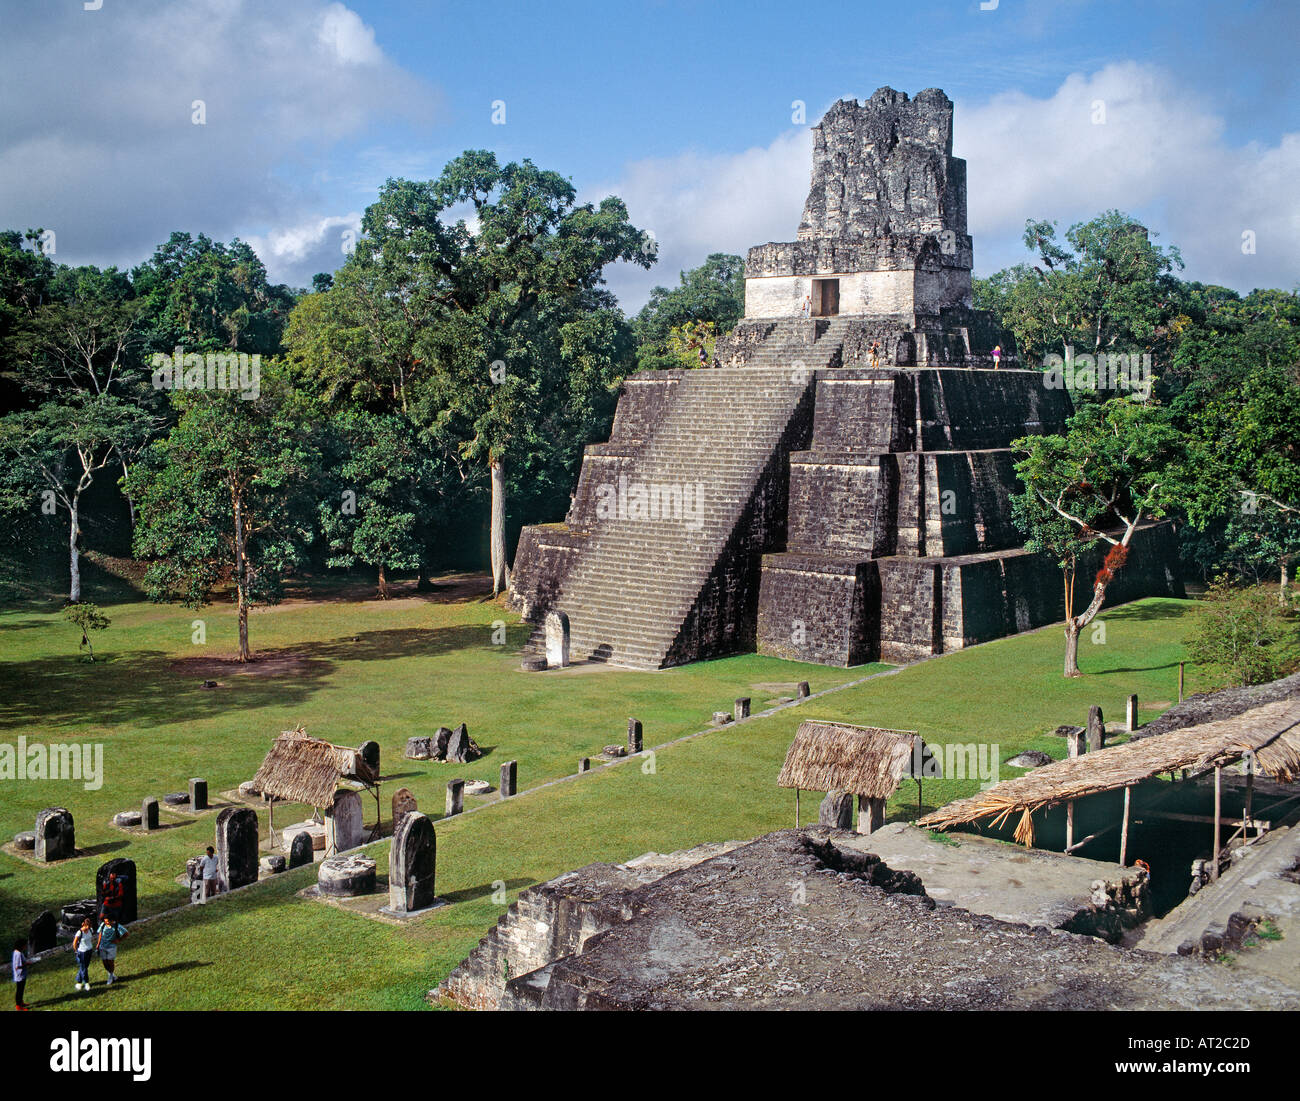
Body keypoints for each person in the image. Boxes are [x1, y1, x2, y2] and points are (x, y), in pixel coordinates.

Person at [94, 916, 128, 986]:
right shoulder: (103, 925)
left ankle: (110, 977)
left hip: (111, 947)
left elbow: (126, 934)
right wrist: (98, 944)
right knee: (105, 963)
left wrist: (118, 940)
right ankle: (112, 975)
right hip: (102, 946)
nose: (106, 922)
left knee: (110, 962)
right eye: (105, 921)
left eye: (107, 921)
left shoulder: (117, 926)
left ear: (111, 921)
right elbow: (100, 933)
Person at [73, 917, 96, 992]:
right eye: (86, 926)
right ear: (83, 924)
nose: (87, 928)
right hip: (82, 952)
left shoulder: (90, 930)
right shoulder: (79, 932)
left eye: (89, 926)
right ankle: (86, 983)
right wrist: (76, 951)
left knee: (84, 967)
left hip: (89, 950)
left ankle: (79, 982)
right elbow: (74, 943)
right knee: (84, 968)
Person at [11, 938, 28, 1011]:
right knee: (19, 991)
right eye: (25, 945)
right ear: (21, 946)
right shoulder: (18, 954)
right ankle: (18, 1006)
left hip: (21, 975)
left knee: (21, 989)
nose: (26, 946)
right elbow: (18, 966)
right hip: (20, 975)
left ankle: (21, 1002)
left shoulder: (16, 952)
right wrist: (27, 964)